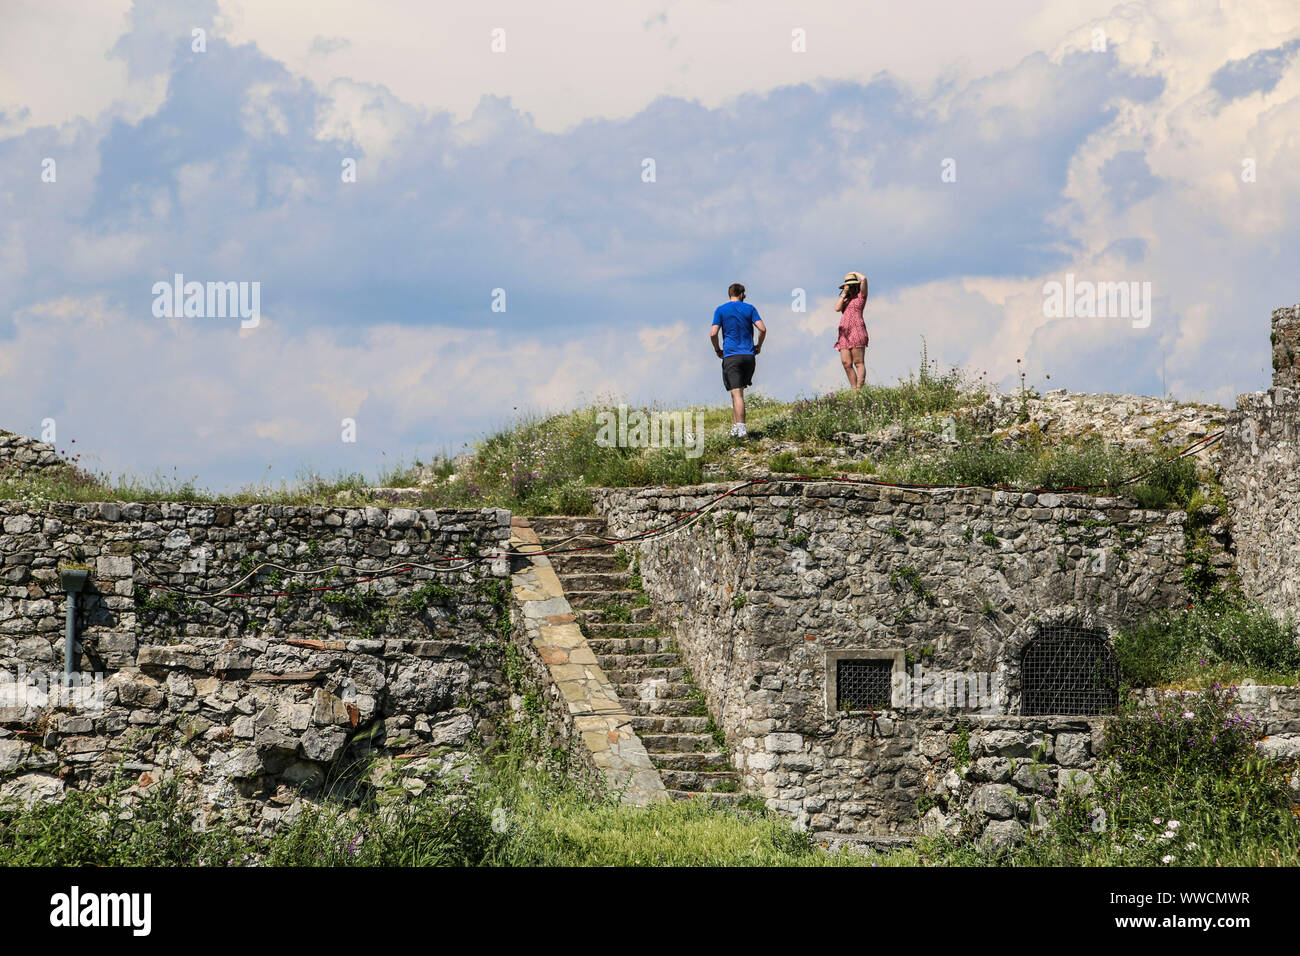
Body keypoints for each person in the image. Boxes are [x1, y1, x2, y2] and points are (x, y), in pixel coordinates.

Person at [710, 283, 766, 438]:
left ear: (730, 294)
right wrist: (758, 346)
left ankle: (741, 429)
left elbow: (713, 333)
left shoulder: (721, 310)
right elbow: (762, 329)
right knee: (737, 392)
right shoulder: (750, 308)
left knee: (737, 393)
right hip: (749, 355)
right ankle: (735, 427)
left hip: (731, 356)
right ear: (741, 294)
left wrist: (717, 349)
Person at [834, 271, 869, 389]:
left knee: (858, 362)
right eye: (849, 285)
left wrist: (854, 273)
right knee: (846, 363)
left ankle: (859, 389)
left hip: (857, 330)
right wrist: (844, 292)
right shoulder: (845, 299)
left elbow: (864, 279)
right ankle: (854, 389)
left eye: (853, 285)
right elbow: (837, 308)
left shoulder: (861, 297)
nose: (851, 287)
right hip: (844, 333)